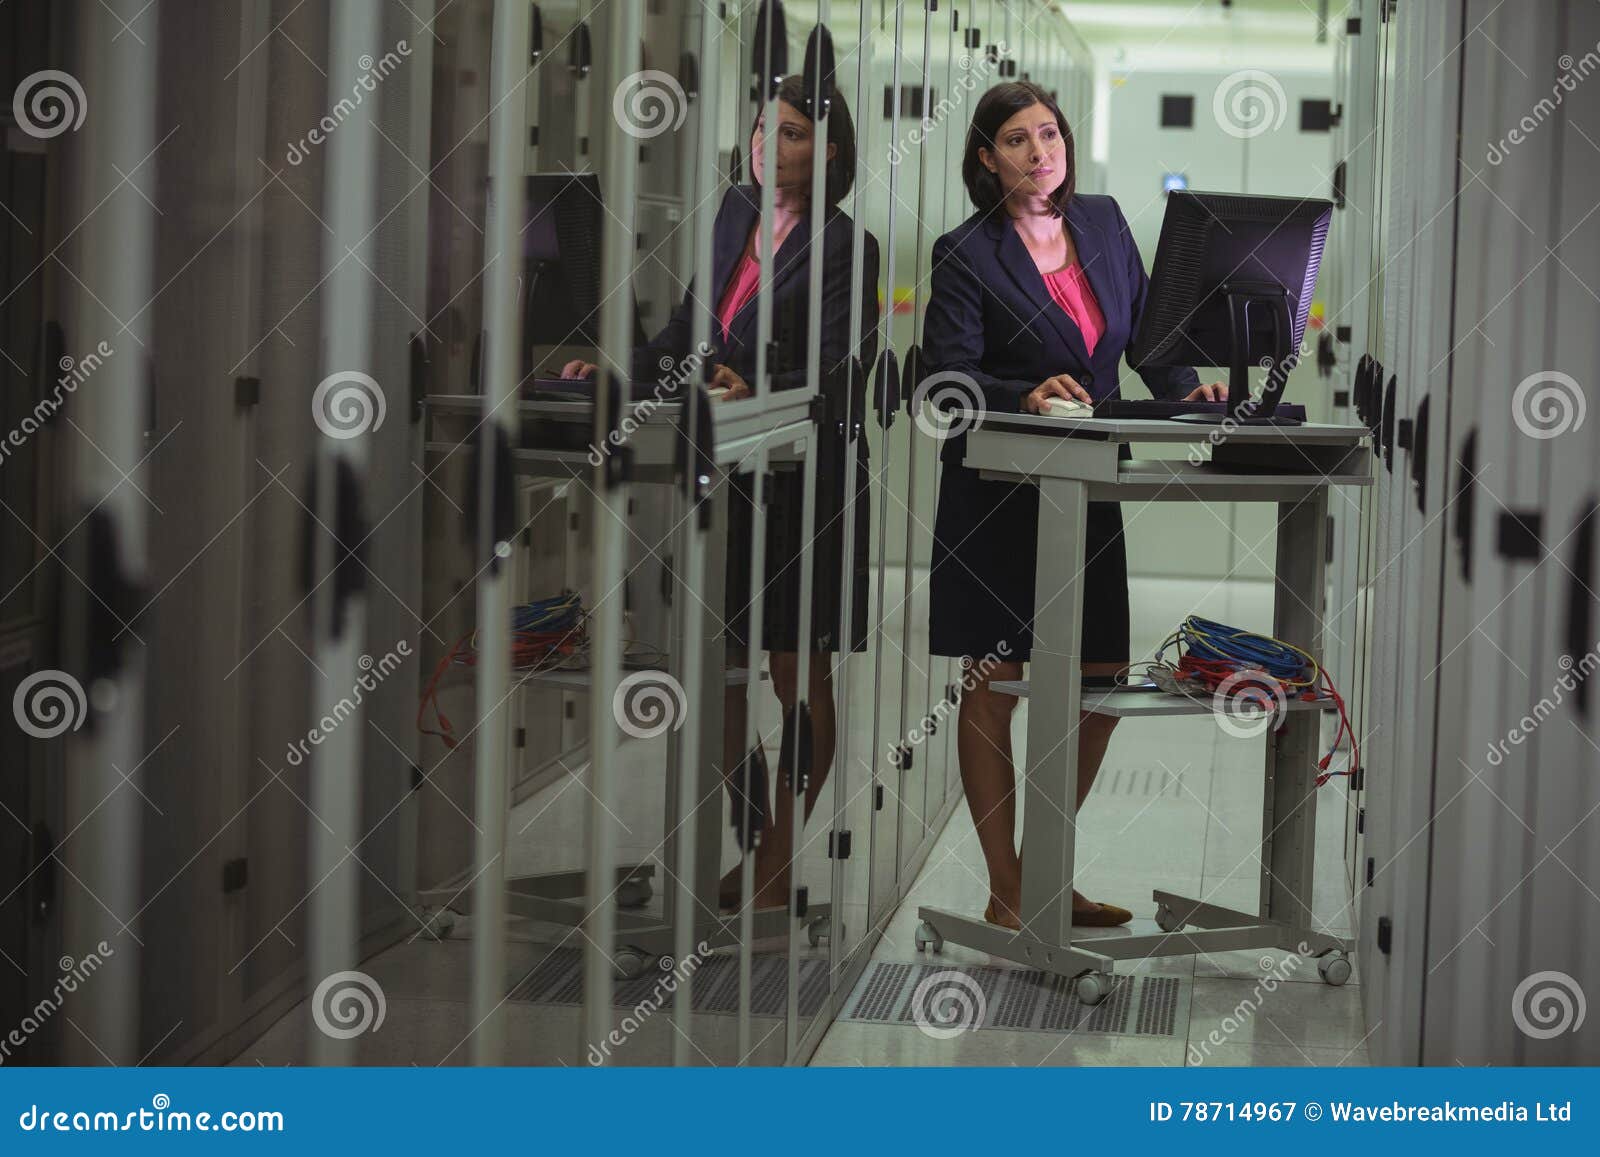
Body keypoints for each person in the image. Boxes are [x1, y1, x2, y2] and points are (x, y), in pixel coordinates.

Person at [563, 77, 879, 911]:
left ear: (831, 150)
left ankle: (776, 864)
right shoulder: (731, 221)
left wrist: (756, 380)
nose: (771, 146)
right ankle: (749, 834)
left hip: (809, 472)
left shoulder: (849, 244)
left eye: (795, 134)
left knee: (795, 668)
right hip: (728, 467)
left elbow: (838, 358)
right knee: (723, 664)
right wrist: (625, 373)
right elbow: (685, 333)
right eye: (762, 131)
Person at [923, 81, 1223, 930]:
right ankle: (1007, 884)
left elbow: (1149, 345)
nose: (1039, 151)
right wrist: (1025, 389)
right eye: (1016, 140)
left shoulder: (1101, 223)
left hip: (1087, 488)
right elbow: (945, 377)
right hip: (997, 488)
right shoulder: (964, 252)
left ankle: (1033, 872)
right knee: (995, 681)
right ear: (987, 159)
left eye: (1048, 133)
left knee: (1097, 683)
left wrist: (1184, 385)